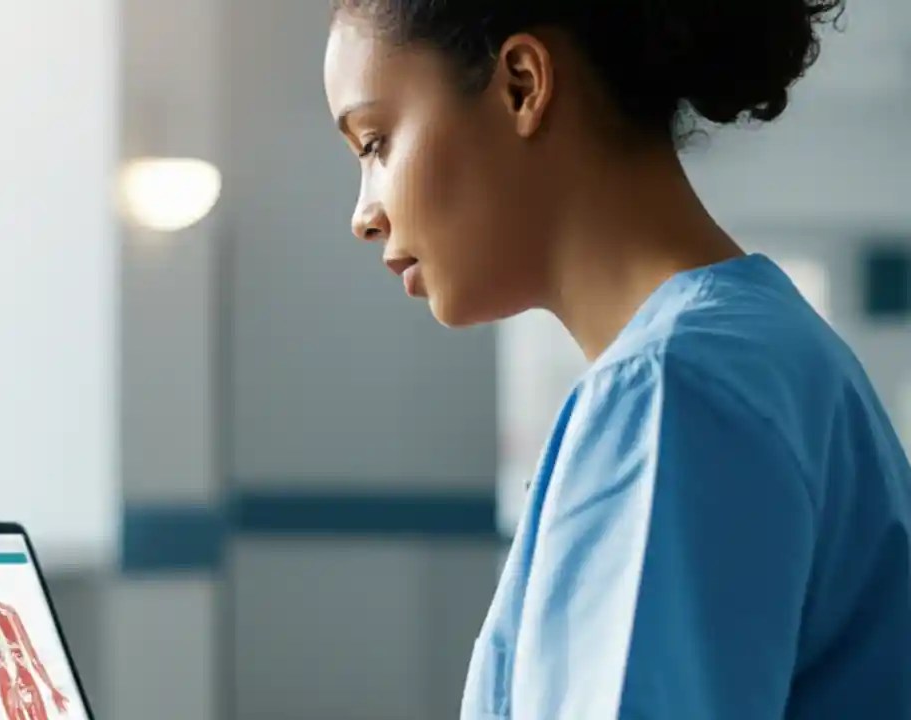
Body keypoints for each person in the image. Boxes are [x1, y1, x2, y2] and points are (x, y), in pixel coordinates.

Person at [322, 1, 911, 718]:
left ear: (522, 85)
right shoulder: (767, 358)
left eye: (375, 143)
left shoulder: (673, 390)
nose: (364, 215)